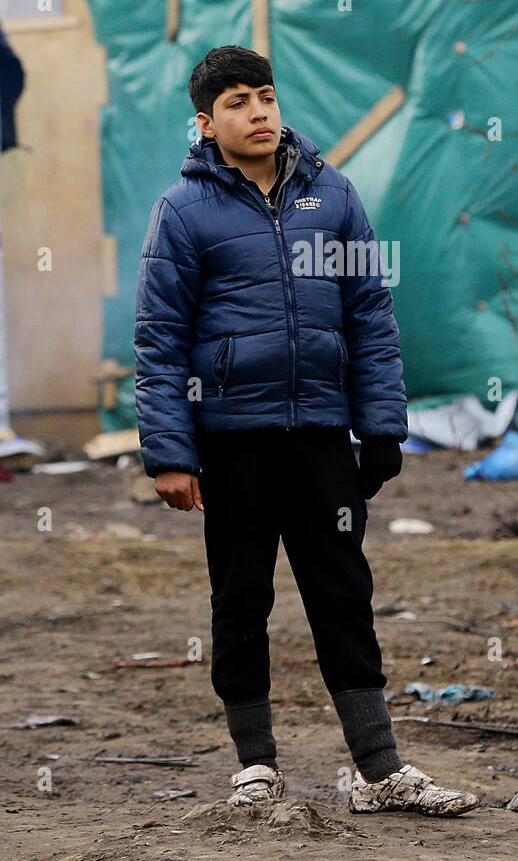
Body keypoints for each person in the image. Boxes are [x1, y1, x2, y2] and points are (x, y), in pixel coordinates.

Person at [134, 45, 478, 817]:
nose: (257, 112)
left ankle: (378, 770)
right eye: (235, 102)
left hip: (322, 438)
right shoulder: (183, 212)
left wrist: (381, 426)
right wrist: (169, 453)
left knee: (342, 593)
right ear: (205, 122)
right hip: (234, 440)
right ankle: (256, 766)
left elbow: (369, 314)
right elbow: (159, 338)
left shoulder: (334, 195)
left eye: (264, 96)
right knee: (241, 598)